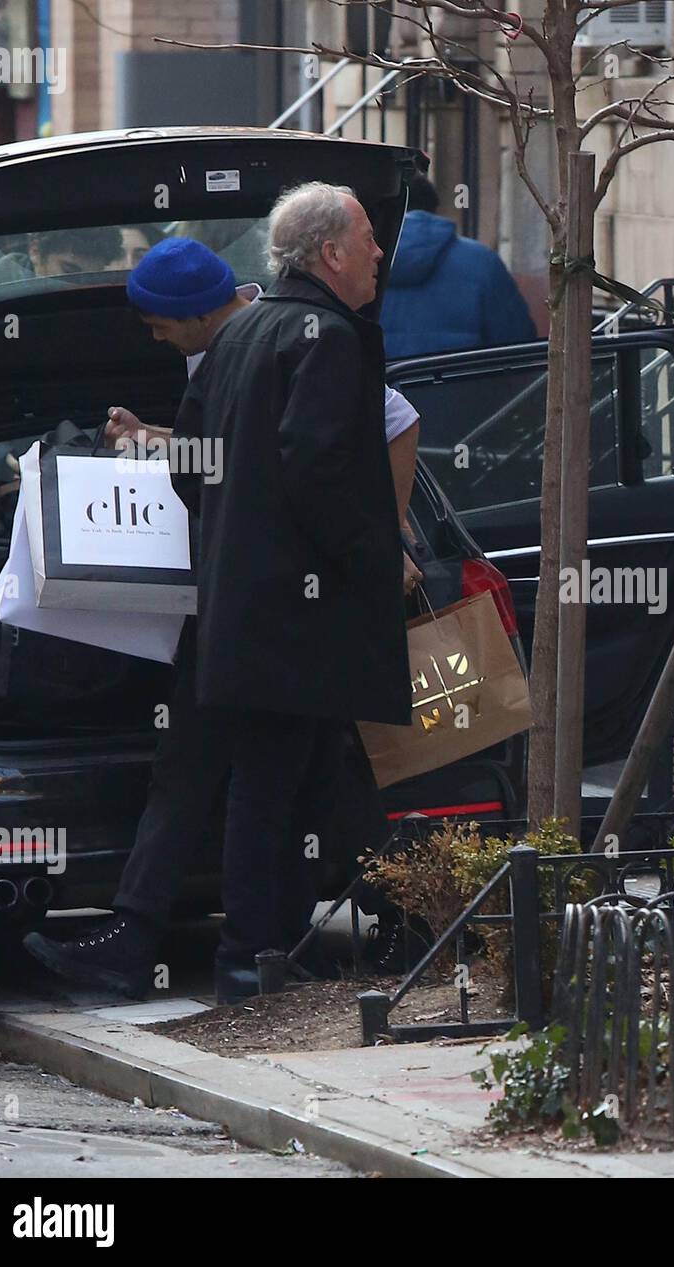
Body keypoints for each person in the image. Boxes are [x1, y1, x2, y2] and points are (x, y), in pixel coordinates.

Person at [22, 233, 418, 1002]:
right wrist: (155, 443)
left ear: (202, 311)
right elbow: (216, 458)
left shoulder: (290, 338)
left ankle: (274, 943)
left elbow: (367, 434)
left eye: (161, 324)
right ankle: (184, 943)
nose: (153, 337)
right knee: (238, 772)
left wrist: (384, 541)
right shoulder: (247, 342)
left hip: (276, 608)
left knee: (292, 777)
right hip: (251, 606)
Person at [168, 181, 413, 1004]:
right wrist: (369, 554)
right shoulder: (329, 339)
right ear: (330, 253)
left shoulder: (240, 332)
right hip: (301, 616)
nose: (381, 252)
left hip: (245, 606)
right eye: (368, 237)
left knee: (281, 781)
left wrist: (236, 535)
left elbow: (187, 460)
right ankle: (252, 952)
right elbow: (319, 466)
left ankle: (273, 946)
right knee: (277, 784)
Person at [379, 174, 537, 358]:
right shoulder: (483, 262)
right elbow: (518, 343)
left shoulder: (365, 259)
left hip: (380, 384)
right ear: (435, 209)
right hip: (463, 385)